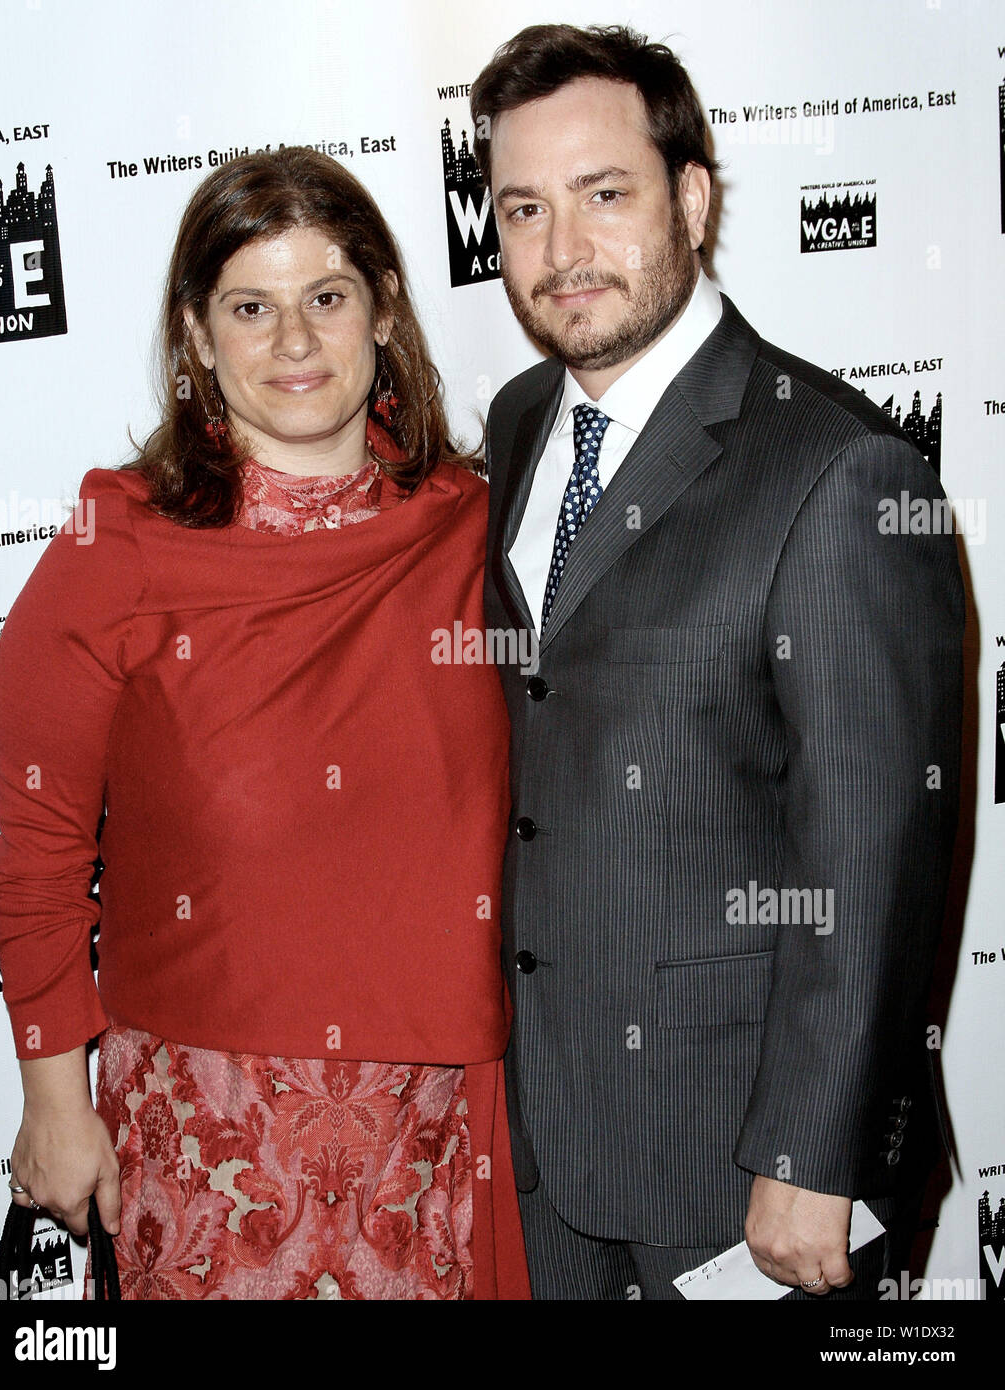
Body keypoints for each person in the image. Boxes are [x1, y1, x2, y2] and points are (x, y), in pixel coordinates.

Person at [470, 24, 964, 1301]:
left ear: (690, 196)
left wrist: (815, 1147)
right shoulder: (523, 423)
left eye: (604, 194)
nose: (562, 251)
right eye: (523, 208)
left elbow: (872, 845)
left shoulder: (840, 470)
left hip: (741, 1164)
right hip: (548, 1132)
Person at [0, 146, 529, 1301]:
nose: (293, 342)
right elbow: (36, 852)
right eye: (251, 306)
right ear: (196, 334)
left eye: (325, 298)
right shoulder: (113, 550)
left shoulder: (477, 531)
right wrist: (52, 1104)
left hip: (432, 1124)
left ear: (383, 309)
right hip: (207, 1139)